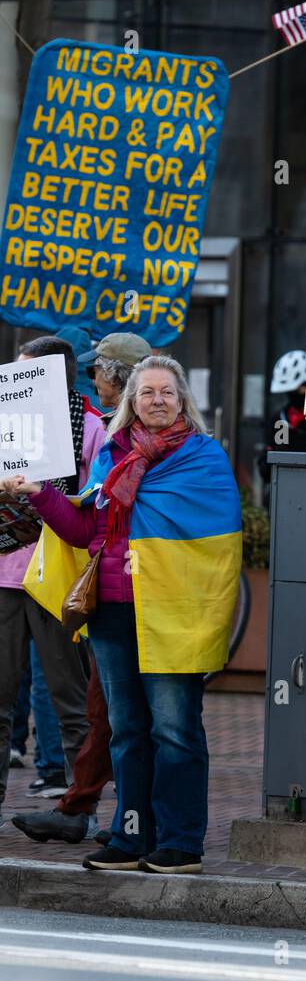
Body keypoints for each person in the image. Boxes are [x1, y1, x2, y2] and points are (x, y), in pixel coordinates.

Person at [0, 355, 242, 873]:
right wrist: (40, 494)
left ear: (182, 401)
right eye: (148, 391)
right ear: (131, 401)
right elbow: (84, 531)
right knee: (127, 728)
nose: (158, 400)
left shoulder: (203, 459)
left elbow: (216, 548)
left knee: (175, 730)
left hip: (173, 615)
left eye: (167, 392)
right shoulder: (112, 456)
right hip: (111, 613)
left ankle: (180, 842)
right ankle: (131, 836)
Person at [10, 332, 151, 845]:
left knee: (98, 706)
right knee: (96, 708)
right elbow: (89, 517)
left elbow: (95, 514)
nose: (95, 379)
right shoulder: (100, 433)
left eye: (101, 370)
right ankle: (83, 809)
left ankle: (106, 814)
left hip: (89, 585)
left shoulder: (101, 431)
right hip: (46, 580)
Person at [0, 337, 102, 830]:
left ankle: (77, 809)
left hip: (58, 578)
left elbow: (98, 506)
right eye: (14, 375)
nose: (17, 384)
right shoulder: (6, 423)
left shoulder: (93, 428)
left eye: (27, 375)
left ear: (57, 378)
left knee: (69, 696)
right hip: (5, 574)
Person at [258, 350, 306, 491]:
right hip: (285, 490)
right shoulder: (281, 420)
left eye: (301, 388)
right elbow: (269, 464)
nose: (296, 394)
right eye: (291, 390)